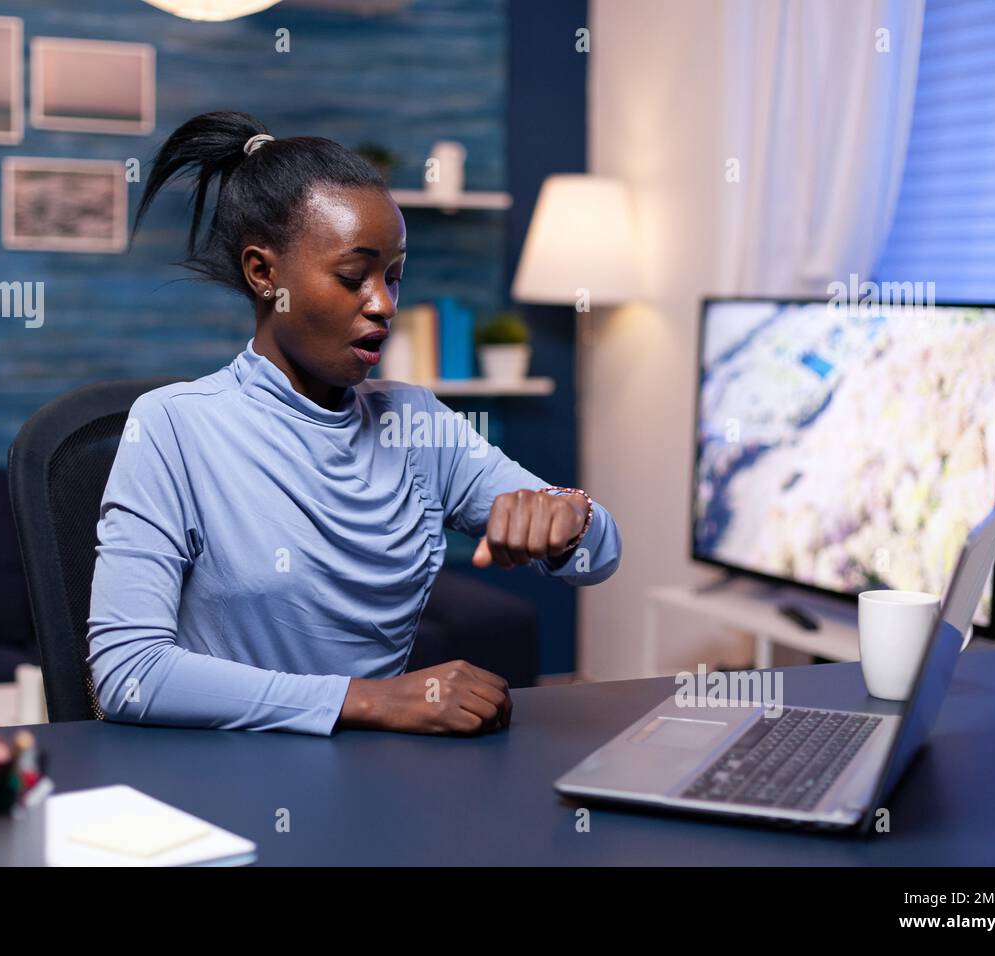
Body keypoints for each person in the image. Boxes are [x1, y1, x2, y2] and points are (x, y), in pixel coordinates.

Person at [87, 110, 621, 736]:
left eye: (393, 276)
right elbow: (128, 672)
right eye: (352, 277)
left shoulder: (414, 422)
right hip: (221, 782)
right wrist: (372, 700)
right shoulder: (175, 428)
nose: (384, 304)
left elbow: (599, 559)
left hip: (373, 779)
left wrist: (569, 521)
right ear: (265, 274)